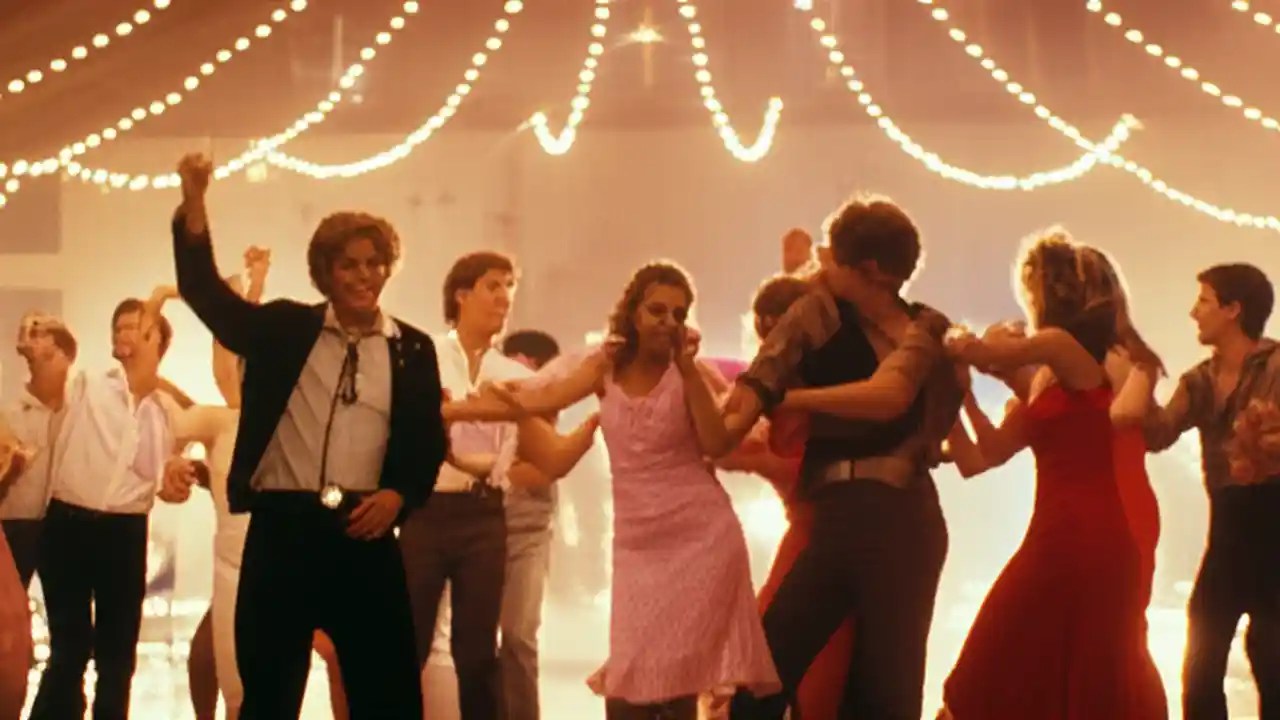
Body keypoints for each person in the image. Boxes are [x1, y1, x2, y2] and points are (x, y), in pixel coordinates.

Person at [170, 152, 447, 719]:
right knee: (268, 698)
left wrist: (398, 496)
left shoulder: (411, 348)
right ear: (325, 272)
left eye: (375, 263)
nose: (364, 275)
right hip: (283, 530)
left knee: (387, 697)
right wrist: (194, 205)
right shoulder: (285, 328)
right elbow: (206, 295)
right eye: (349, 265)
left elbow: (426, 443)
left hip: (365, 530)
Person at [447, 261, 780, 720]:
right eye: (657, 310)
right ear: (634, 312)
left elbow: (716, 443)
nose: (667, 322)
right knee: (633, 686)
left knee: (675, 685)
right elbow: (539, 400)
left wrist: (687, 368)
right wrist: (449, 414)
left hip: (701, 538)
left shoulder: (691, 373)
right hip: (637, 546)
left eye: (678, 314)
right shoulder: (605, 366)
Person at [724, 195, 960, 720]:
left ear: (870, 271)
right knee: (764, 674)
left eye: (835, 259)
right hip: (838, 516)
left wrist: (792, 399)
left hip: (903, 518)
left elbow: (889, 397)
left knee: (885, 693)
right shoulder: (819, 314)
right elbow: (761, 375)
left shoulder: (926, 327)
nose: (824, 266)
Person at [939, 230, 1165, 719]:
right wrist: (958, 396)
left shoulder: (1066, 351)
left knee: (1064, 655)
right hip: (1056, 531)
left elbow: (990, 355)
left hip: (1098, 529)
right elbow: (979, 459)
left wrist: (955, 341)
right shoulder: (1046, 377)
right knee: (1000, 657)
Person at [160, 248, 348, 720]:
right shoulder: (220, 419)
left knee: (305, 667)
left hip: (296, 554)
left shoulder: (298, 413)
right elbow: (170, 412)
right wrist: (171, 466)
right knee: (238, 685)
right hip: (235, 565)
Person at [401, 251, 545, 720]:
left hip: (484, 514)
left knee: (478, 652)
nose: (504, 296)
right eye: (493, 285)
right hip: (426, 510)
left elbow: (534, 452)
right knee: (408, 641)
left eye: (509, 286)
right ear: (462, 294)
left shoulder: (518, 378)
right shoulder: (423, 356)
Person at [29, 288, 177, 720]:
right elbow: (47, 386)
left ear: (158, 341)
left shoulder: (166, 410)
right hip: (68, 524)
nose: (125, 333)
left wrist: (178, 479)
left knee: (117, 655)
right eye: (119, 327)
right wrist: (39, 350)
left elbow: (164, 480)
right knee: (69, 648)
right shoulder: (88, 383)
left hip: (124, 533)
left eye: (137, 327)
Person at [1142, 262, 1280, 720]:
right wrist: (1139, 378)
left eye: (1203, 300)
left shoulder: (1278, 366)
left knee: (1272, 660)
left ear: (1233, 309)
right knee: (1200, 669)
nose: (1193, 312)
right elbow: (1157, 434)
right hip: (1227, 536)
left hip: (1275, 533)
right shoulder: (1199, 381)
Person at [717, 273, 854, 720]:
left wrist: (759, 460)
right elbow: (720, 442)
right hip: (802, 532)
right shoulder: (766, 391)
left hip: (835, 534)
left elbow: (812, 473)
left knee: (811, 672)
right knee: (765, 663)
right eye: (769, 338)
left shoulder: (834, 389)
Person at [497, 329, 562, 720]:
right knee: (475, 644)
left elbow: (543, 470)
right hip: (482, 526)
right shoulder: (489, 398)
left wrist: (495, 472)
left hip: (529, 531)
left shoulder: (546, 411)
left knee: (518, 635)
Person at [0, 313, 76, 589]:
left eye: (50, 351)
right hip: (14, 524)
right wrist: (11, 470)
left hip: (65, 524)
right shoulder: (8, 415)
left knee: (67, 604)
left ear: (67, 356)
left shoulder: (80, 411)